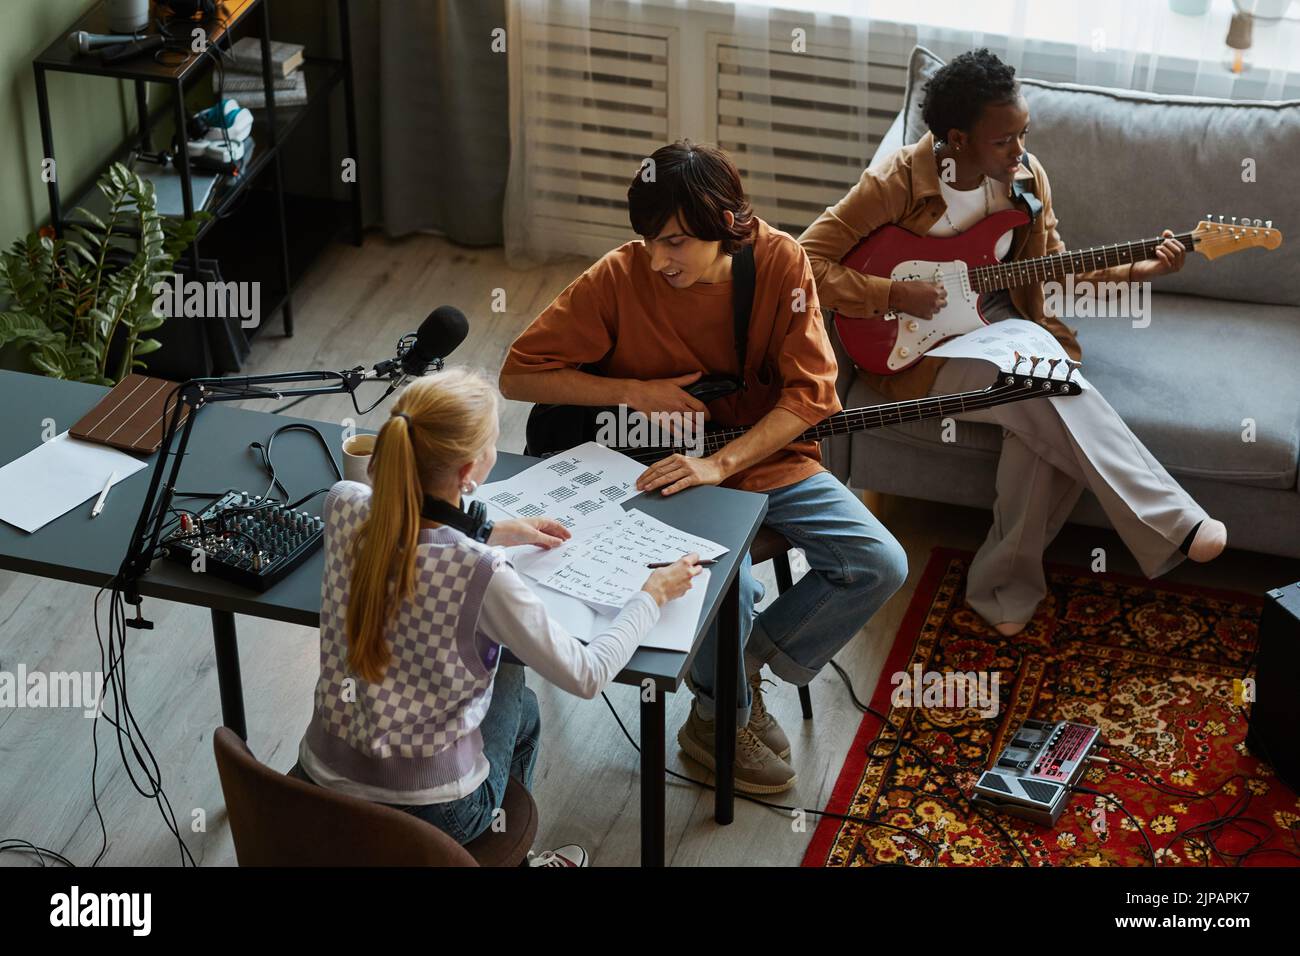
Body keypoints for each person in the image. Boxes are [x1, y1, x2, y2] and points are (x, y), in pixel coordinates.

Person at [499, 141, 908, 795]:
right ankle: (718, 722)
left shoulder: (780, 263)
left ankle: (736, 678)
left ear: (726, 224)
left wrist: (722, 462)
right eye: (650, 240)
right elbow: (518, 374)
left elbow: (811, 396)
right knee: (733, 592)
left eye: (677, 242)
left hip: (762, 458)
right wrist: (632, 391)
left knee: (880, 562)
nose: (659, 259)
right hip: (662, 474)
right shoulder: (619, 275)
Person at [799, 48, 1227, 637]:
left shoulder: (1026, 180)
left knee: (1041, 410)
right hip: (915, 347)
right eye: (1004, 140)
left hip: (999, 323)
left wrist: (1141, 273)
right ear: (957, 139)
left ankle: (1002, 592)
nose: (1019, 151)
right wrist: (892, 296)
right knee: (1045, 384)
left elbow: (1052, 262)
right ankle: (1173, 520)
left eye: (1024, 134)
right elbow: (803, 262)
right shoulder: (896, 181)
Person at [288, 367, 700, 866]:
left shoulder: (344, 503)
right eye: (491, 447)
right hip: (436, 813)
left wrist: (496, 529)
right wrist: (651, 596)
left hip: (317, 783)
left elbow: (412, 529)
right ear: (470, 473)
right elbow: (586, 675)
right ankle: (513, 858)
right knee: (522, 705)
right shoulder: (479, 572)